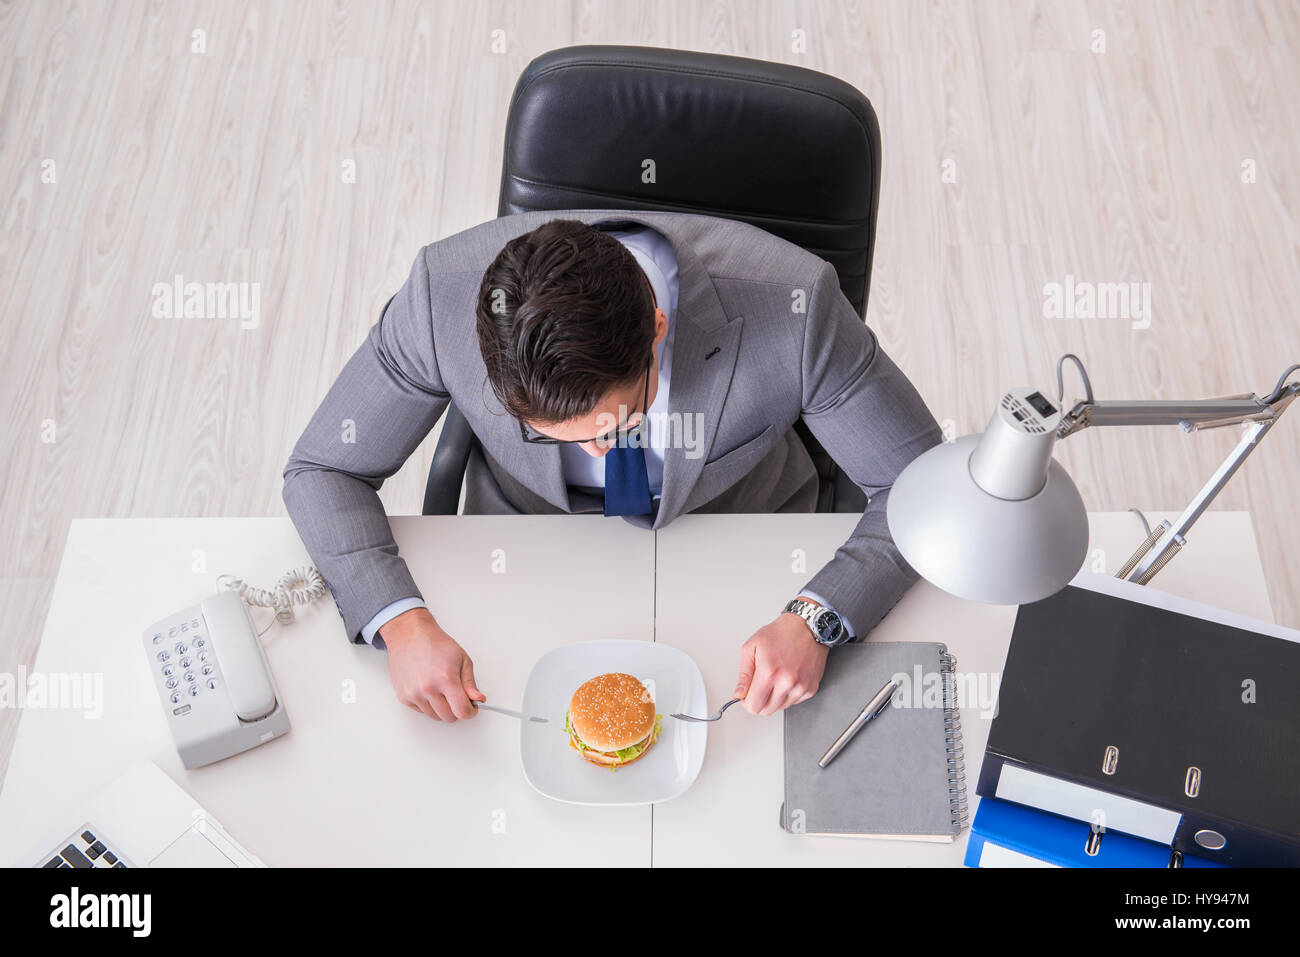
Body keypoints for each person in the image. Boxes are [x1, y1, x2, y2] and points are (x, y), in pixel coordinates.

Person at [283, 212, 941, 722]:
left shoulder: (797, 305)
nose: (596, 451)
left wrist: (818, 616)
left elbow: (925, 488)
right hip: (527, 556)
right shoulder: (437, 301)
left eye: (614, 425)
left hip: (743, 545)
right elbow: (322, 469)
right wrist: (400, 620)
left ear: (657, 327)